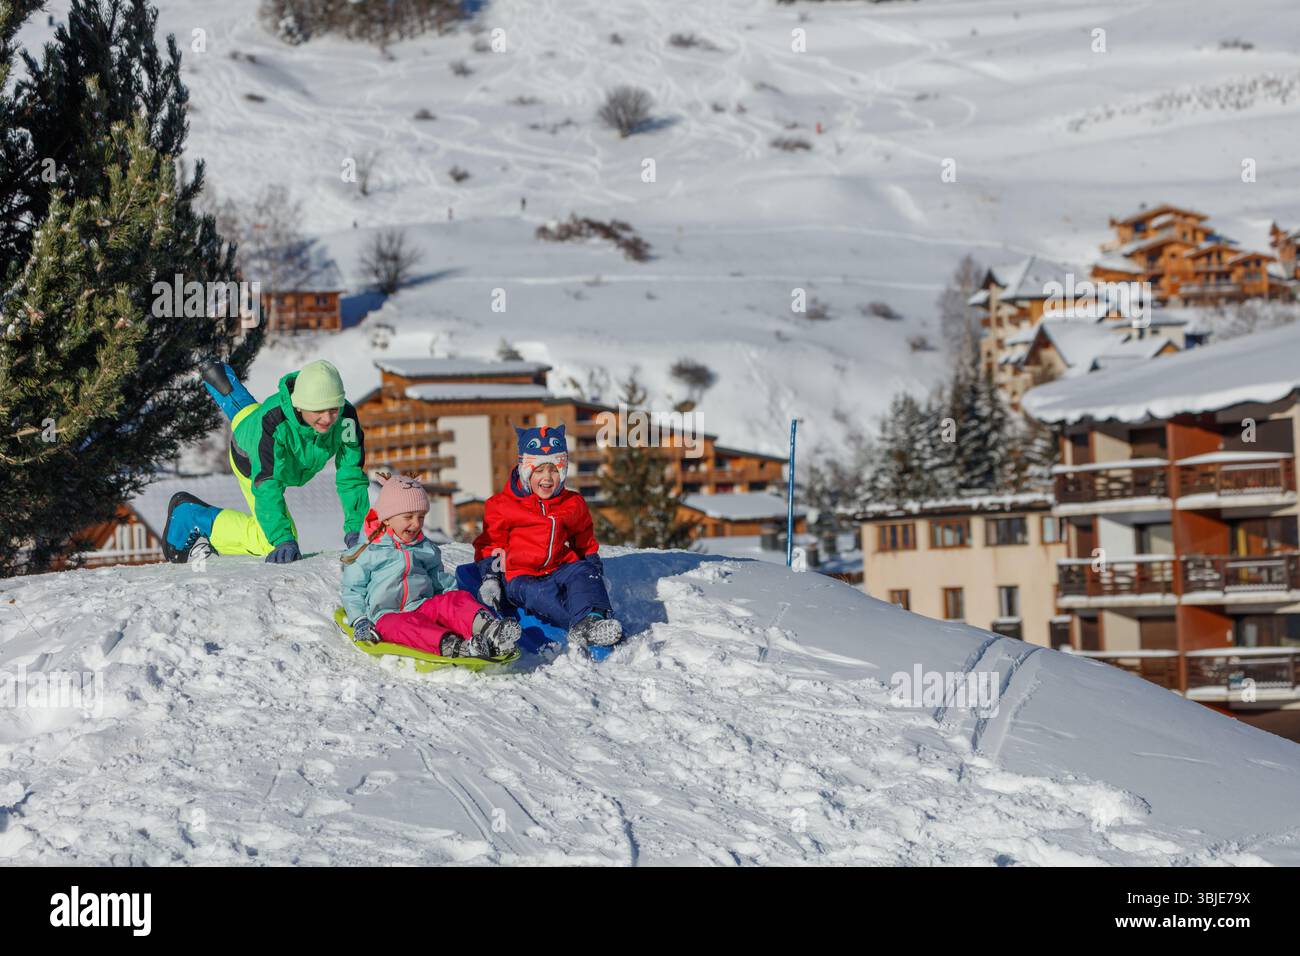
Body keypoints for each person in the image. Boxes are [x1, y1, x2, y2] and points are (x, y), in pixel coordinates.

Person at [162, 359, 368, 564]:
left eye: (333, 409)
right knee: (268, 542)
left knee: (249, 413)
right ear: (300, 405)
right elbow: (267, 484)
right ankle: (192, 517)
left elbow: (352, 477)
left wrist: (357, 529)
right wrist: (282, 539)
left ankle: (218, 374)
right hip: (249, 456)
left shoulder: (346, 418)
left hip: (257, 419)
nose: (328, 418)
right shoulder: (273, 425)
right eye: (318, 410)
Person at [473, 425, 622, 649]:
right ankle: (578, 625)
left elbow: (583, 536)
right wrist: (491, 578)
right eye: (539, 471)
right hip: (521, 576)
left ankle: (594, 619)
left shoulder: (572, 503)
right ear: (526, 471)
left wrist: (592, 566)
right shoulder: (502, 505)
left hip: (560, 566)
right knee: (539, 593)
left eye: (554, 470)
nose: (547, 478)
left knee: (583, 573)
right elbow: (490, 544)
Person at [341, 473, 520, 658]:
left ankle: (491, 632)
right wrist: (360, 619)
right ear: (387, 518)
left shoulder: (425, 547)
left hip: (422, 606)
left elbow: (440, 581)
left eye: (421, 517)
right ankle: (457, 647)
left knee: (454, 600)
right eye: (408, 516)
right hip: (387, 616)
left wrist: (454, 602)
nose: (416, 523)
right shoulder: (368, 551)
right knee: (404, 627)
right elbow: (352, 590)